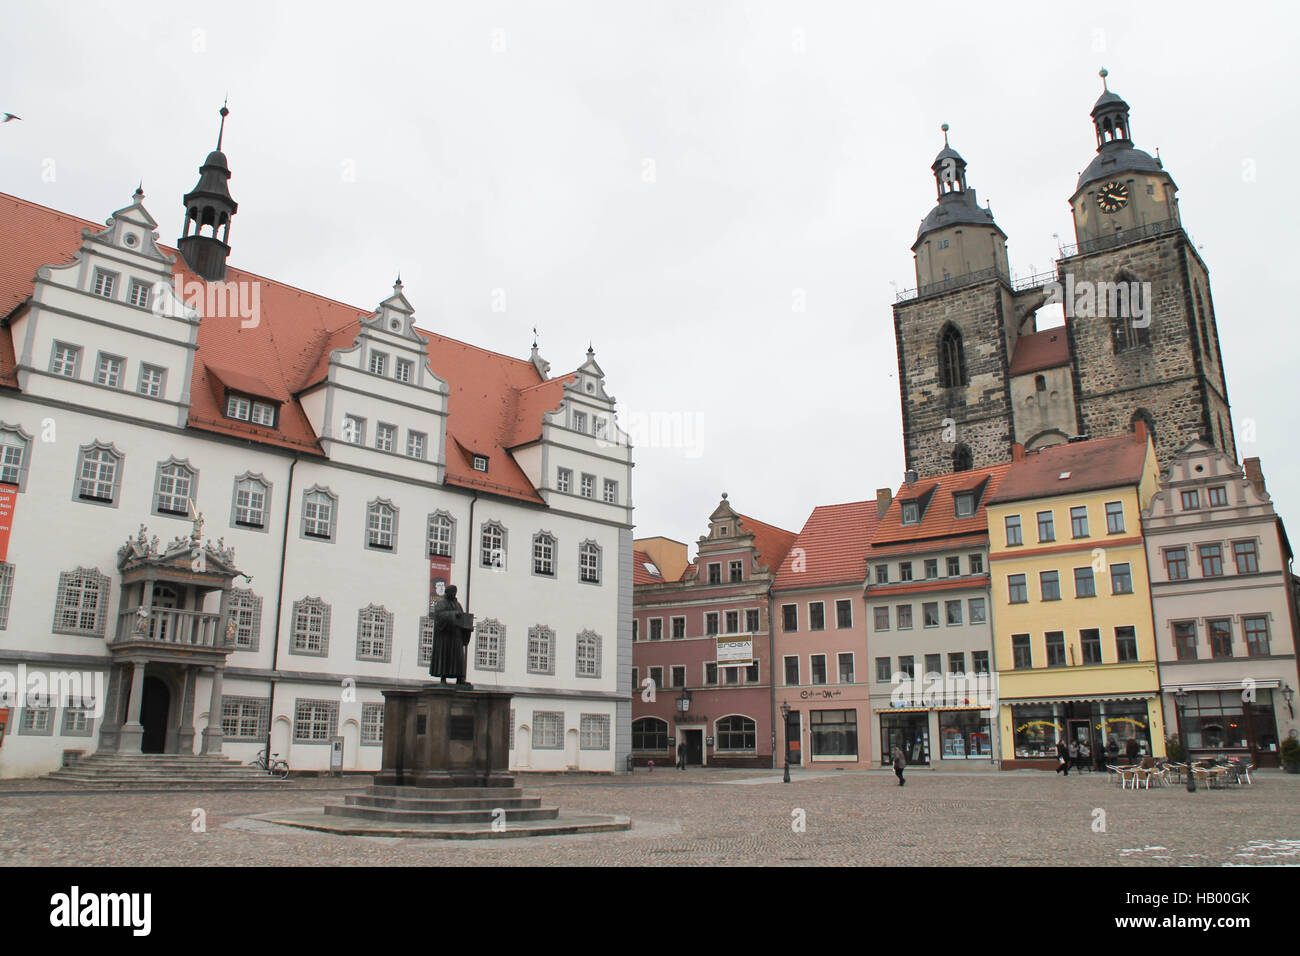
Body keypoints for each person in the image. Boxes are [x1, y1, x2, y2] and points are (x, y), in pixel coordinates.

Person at [427, 585, 473, 684]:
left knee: (459, 657)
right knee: (444, 656)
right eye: (452, 592)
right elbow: (439, 616)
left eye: (455, 592)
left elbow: (462, 618)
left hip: (456, 636)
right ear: (448, 592)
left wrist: (468, 627)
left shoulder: (458, 604)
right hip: (445, 637)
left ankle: (459, 678)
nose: (454, 594)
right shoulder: (441, 603)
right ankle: (443, 677)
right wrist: (453, 614)